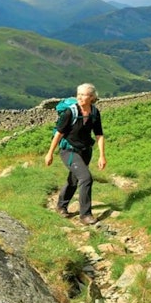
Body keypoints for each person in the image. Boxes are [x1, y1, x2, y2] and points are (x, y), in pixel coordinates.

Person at [45, 83, 107, 224]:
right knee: (86, 178)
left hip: (85, 150)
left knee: (74, 179)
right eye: (78, 94)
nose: (79, 97)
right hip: (69, 150)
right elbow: (59, 134)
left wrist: (102, 156)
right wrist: (50, 153)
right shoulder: (70, 112)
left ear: (92, 97)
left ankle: (61, 206)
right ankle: (85, 215)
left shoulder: (94, 113)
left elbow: (99, 134)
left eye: (83, 95)